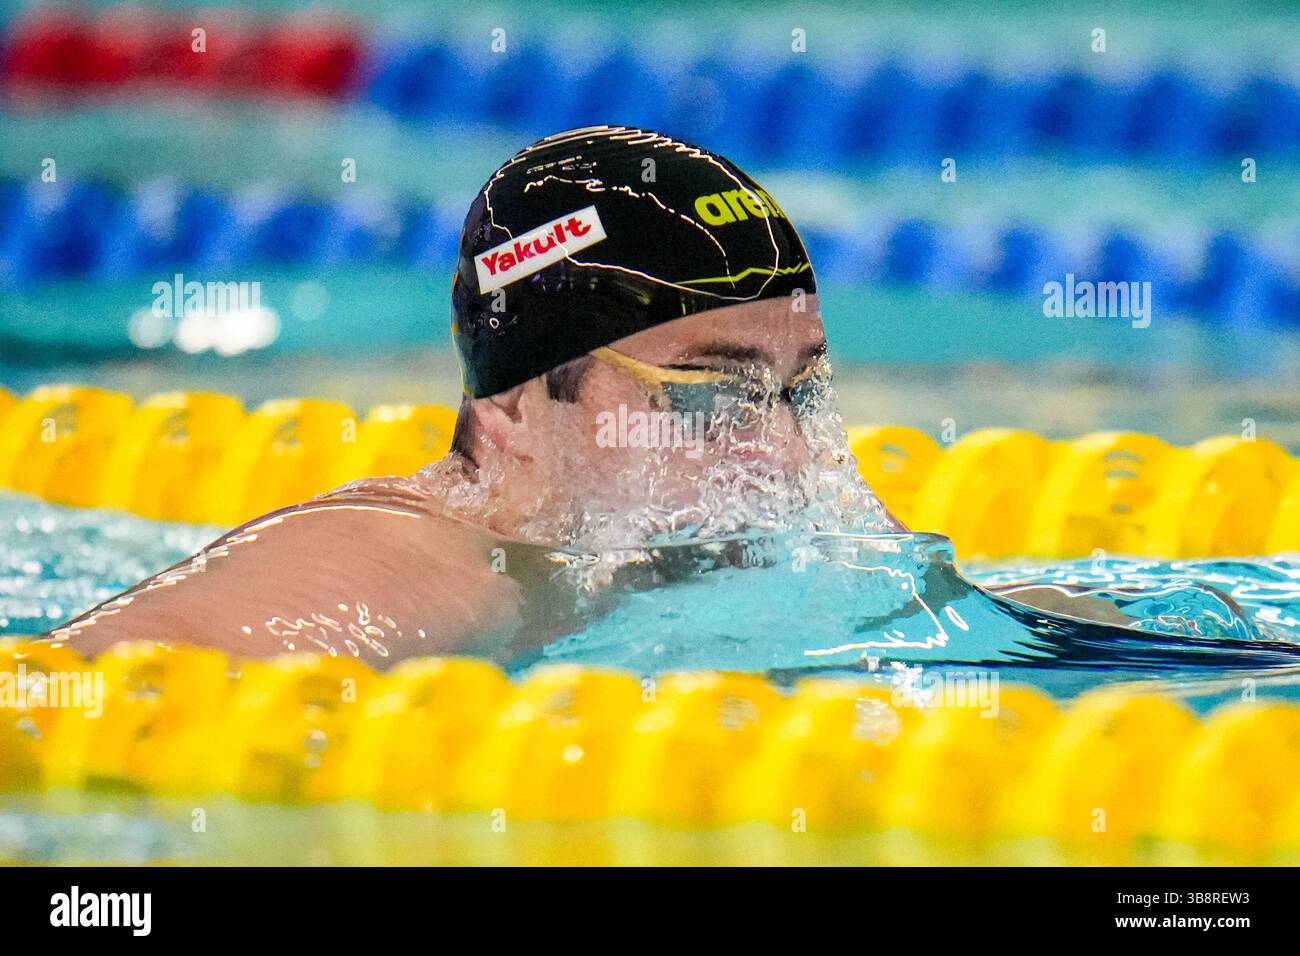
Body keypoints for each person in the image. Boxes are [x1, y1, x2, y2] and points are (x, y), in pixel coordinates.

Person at [46, 125, 1119, 666]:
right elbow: (76, 701)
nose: (784, 457)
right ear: (514, 403)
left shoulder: (720, 523)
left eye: (800, 392)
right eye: (706, 393)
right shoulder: (429, 572)